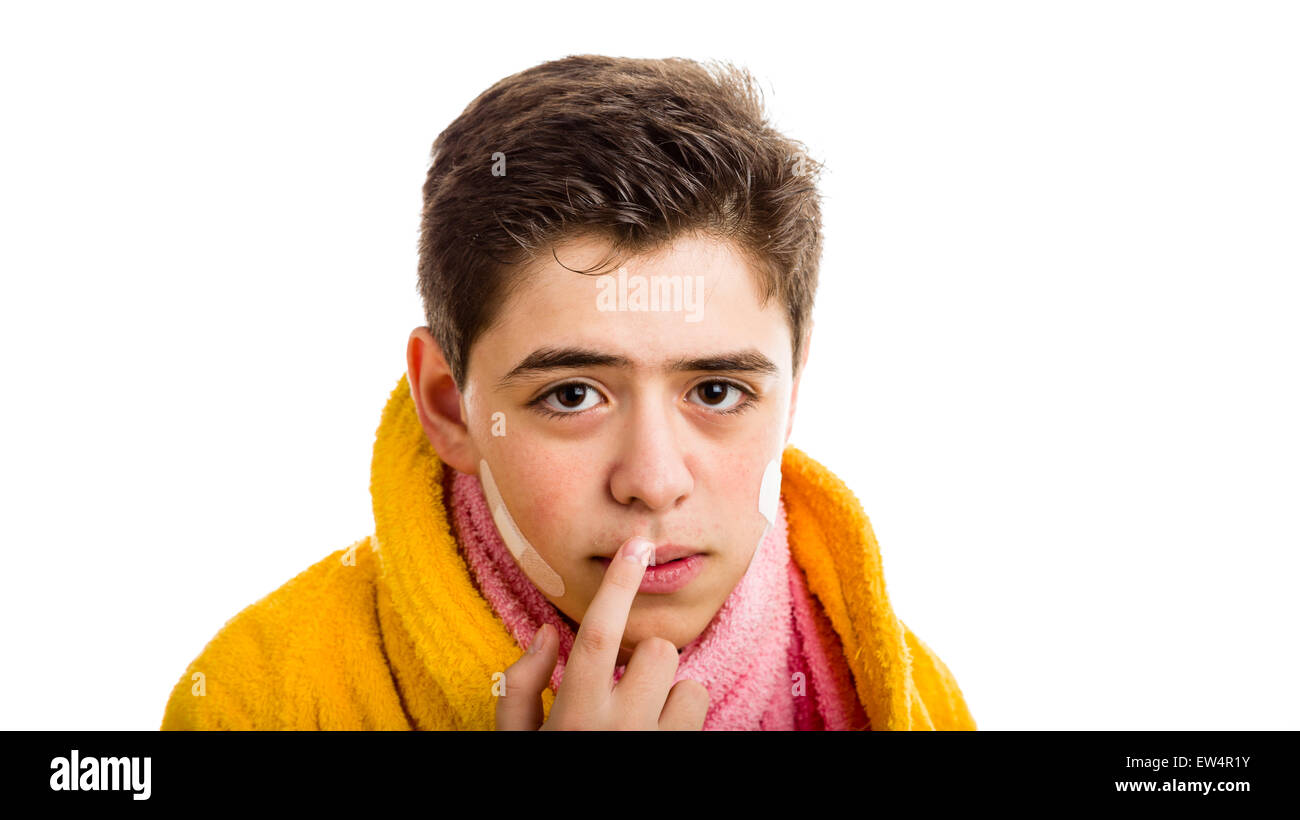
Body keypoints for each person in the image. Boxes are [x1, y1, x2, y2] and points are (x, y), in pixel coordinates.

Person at [160, 54, 976, 730]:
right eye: (574, 395)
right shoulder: (259, 699)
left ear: (790, 394)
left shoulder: (907, 695)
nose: (654, 482)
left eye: (719, 391)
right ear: (450, 405)